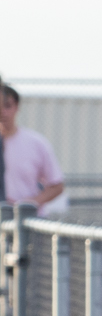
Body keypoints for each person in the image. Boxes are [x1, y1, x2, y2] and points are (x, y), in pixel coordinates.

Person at [0, 82, 69, 217]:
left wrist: (28, 204)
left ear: (17, 107)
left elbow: (57, 185)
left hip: (27, 222)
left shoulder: (36, 143)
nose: (3, 112)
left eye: (7, 106)